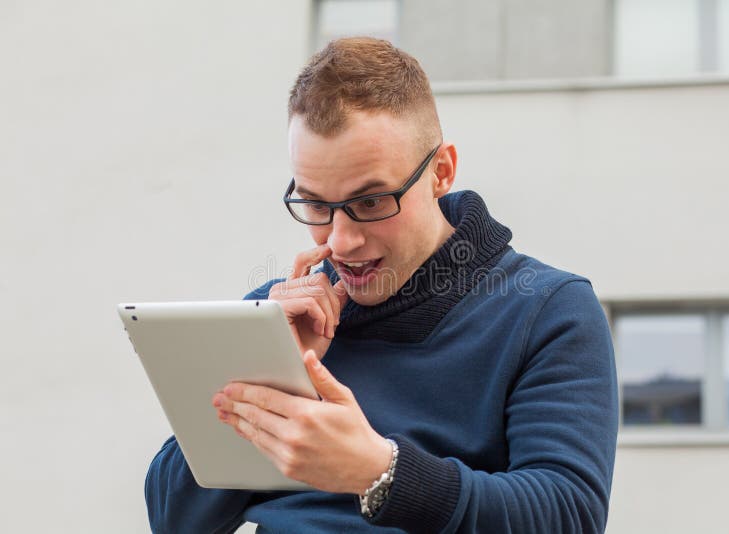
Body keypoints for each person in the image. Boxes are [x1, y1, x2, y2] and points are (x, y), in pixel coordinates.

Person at [145, 37, 618, 533]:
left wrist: (380, 471)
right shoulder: (276, 314)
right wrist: (268, 368)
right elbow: (172, 519)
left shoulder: (547, 311)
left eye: (371, 203)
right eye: (317, 206)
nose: (342, 241)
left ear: (441, 172)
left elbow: (569, 517)